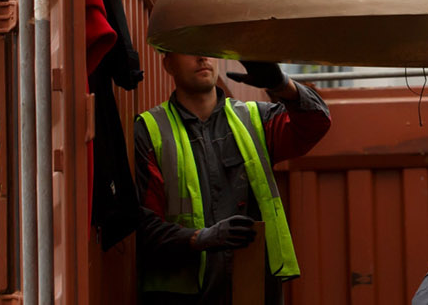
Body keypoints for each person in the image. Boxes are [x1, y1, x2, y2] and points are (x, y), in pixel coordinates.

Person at [134, 55, 331, 304]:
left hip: (254, 288)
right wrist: (200, 238)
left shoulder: (255, 119)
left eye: (207, 48)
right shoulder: (151, 129)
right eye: (189, 49)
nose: (201, 56)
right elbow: (144, 224)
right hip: (183, 293)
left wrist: (282, 85)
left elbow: (316, 123)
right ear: (168, 64)